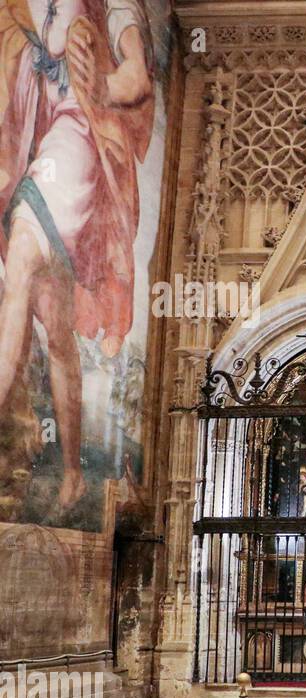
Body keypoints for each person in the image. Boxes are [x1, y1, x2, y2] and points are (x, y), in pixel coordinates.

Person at [0, 0, 155, 510]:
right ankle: (72, 474)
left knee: (21, 256)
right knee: (56, 325)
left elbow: (137, 81)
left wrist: (99, 88)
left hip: (79, 142)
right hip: (37, 145)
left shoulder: (115, 8)